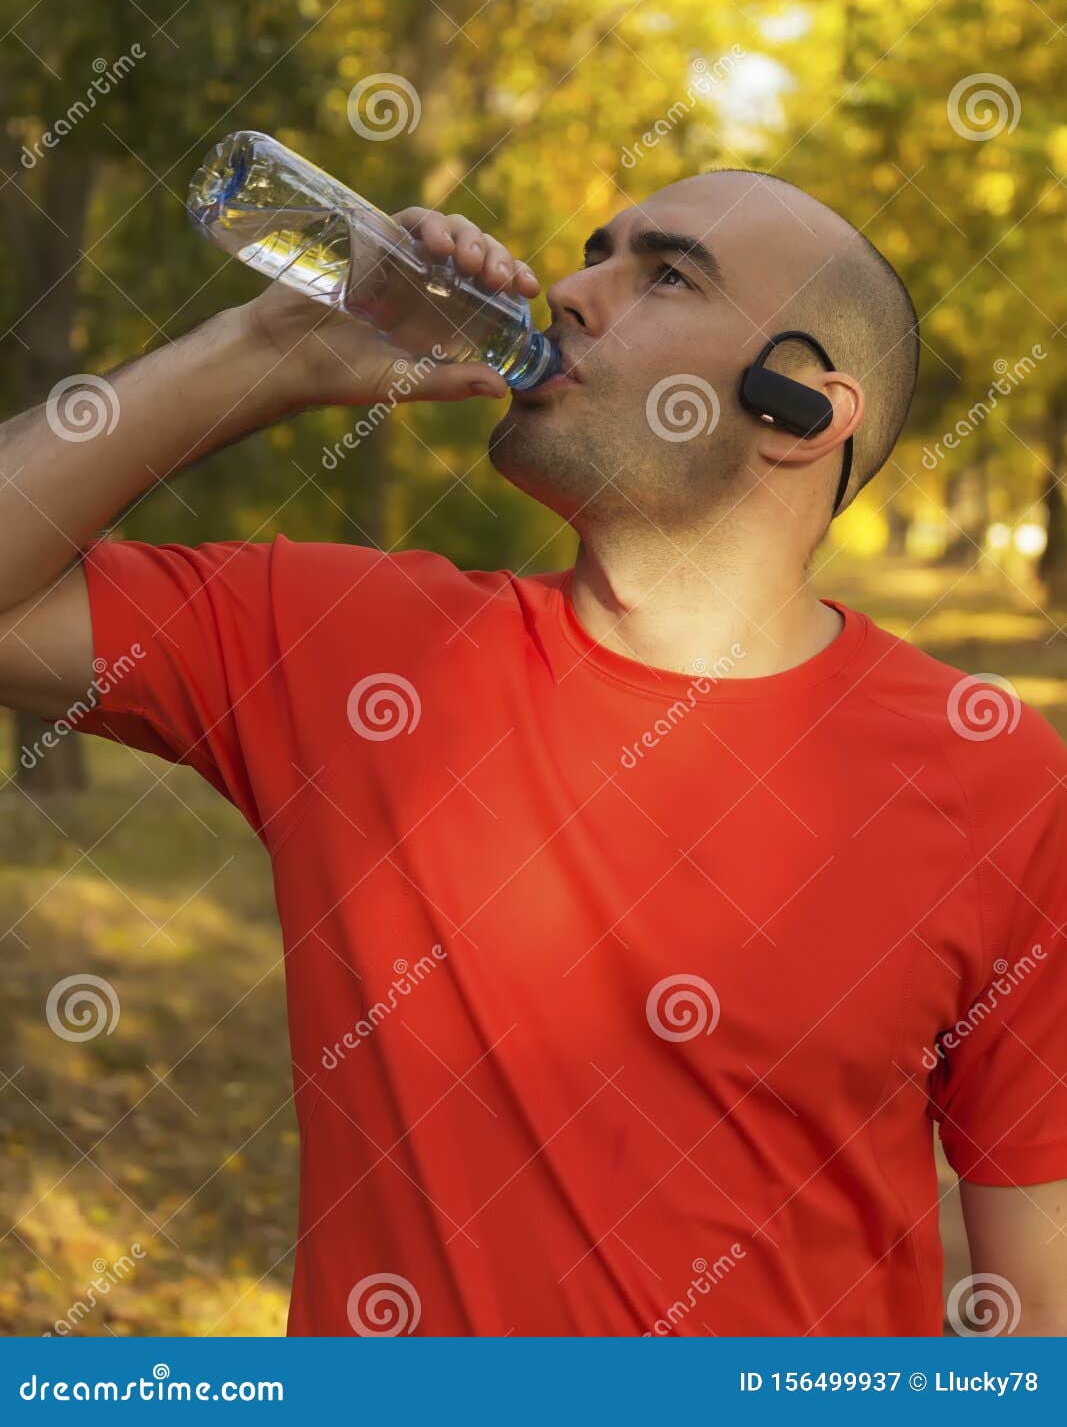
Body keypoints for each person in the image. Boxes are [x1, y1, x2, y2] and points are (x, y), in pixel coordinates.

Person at [2, 168, 1064, 1338]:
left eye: (663, 274)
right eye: (591, 253)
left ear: (800, 405)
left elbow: (1035, 1307)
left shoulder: (996, 777)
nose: (566, 289)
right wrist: (272, 348)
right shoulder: (349, 654)